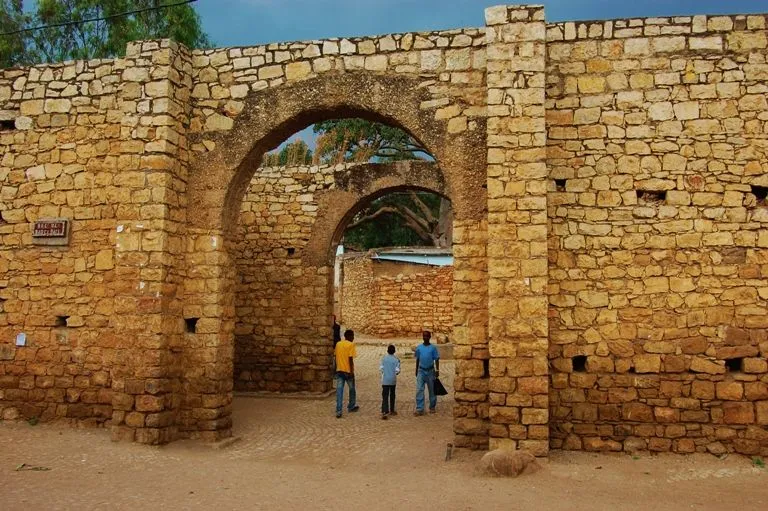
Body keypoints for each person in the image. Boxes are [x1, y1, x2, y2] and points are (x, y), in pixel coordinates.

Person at [334, 329, 359, 418]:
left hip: (339, 370)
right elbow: (350, 359)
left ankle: (339, 410)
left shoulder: (338, 344)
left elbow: (336, 356)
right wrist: (352, 371)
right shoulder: (351, 345)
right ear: (349, 336)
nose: (353, 338)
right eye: (352, 336)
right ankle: (351, 406)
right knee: (352, 389)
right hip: (348, 371)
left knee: (339, 391)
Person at [414, 330, 440, 416]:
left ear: (429, 337)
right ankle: (420, 408)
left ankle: (432, 406)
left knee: (432, 390)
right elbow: (418, 359)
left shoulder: (433, 348)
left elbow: (436, 359)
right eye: (424, 336)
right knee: (419, 390)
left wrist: (437, 370)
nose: (425, 338)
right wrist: (416, 370)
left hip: (430, 371)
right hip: (421, 371)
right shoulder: (419, 348)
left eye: (426, 336)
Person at [379, 344, 401, 419]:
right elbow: (397, 371)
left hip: (385, 380)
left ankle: (384, 411)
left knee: (385, 396)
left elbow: (381, 368)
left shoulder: (384, 359)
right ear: (394, 351)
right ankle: (392, 410)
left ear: (387, 351)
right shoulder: (396, 360)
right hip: (392, 380)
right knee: (392, 395)